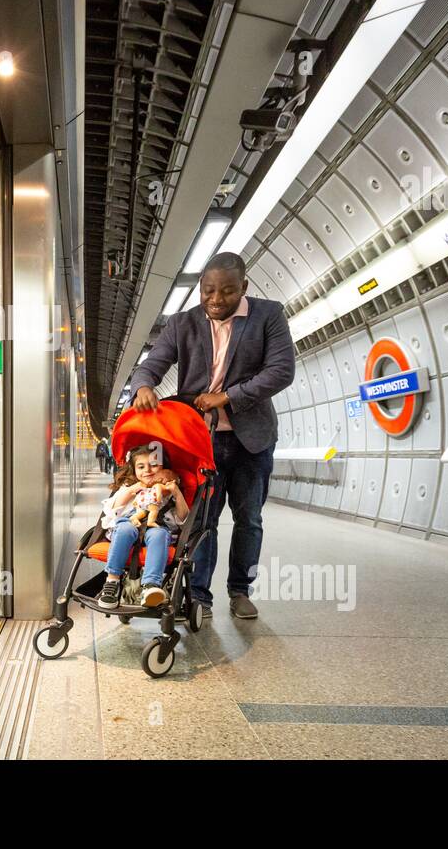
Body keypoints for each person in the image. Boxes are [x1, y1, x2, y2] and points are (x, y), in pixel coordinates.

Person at [127, 251, 294, 619]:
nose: (216, 300)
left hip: (253, 439)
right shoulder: (182, 323)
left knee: (249, 518)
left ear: (244, 288)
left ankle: (240, 590)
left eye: (227, 292)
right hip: (201, 440)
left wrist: (228, 397)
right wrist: (142, 385)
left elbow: (281, 371)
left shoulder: (269, 315)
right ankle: (199, 595)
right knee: (202, 521)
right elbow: (152, 364)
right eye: (208, 291)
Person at [96, 444, 188, 610]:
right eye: (141, 466)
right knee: (124, 529)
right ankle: (112, 581)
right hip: (130, 522)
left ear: (163, 466)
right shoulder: (130, 486)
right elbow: (111, 508)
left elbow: (183, 518)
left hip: (156, 526)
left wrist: (177, 493)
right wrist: (132, 489)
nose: (148, 470)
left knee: (159, 535)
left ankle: (150, 586)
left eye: (153, 465)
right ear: (134, 469)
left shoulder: (167, 491)